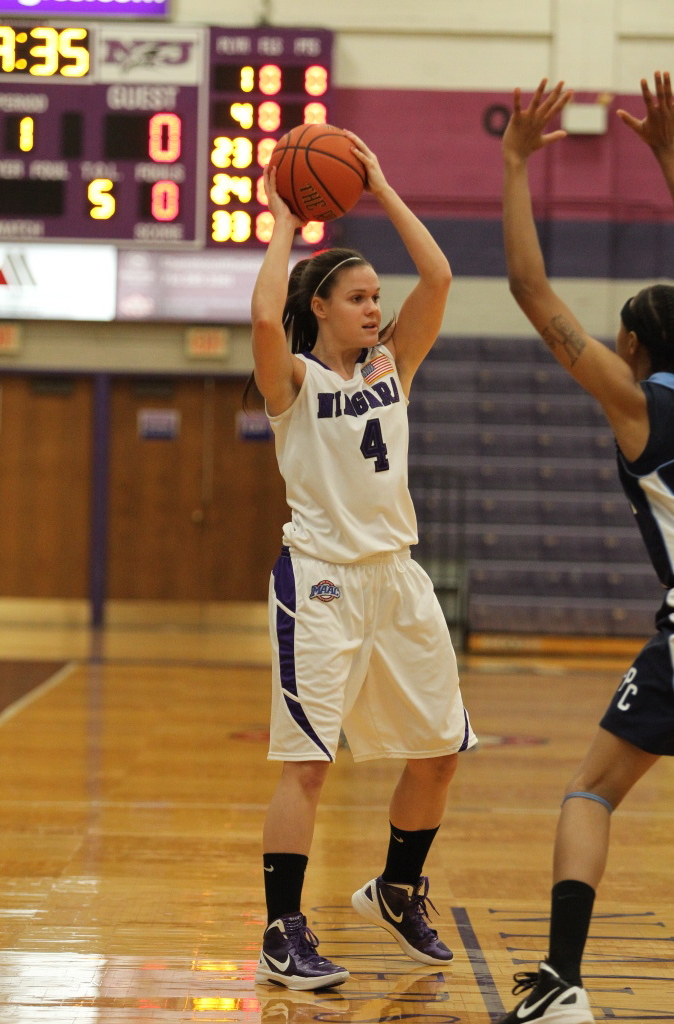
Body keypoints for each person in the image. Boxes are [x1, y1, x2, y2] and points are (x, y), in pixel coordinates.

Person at [250, 130, 476, 991]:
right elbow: (265, 317)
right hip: (321, 585)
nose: (374, 308)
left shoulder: (393, 365)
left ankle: (395, 886)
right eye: (356, 298)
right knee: (305, 765)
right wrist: (280, 220)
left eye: (377, 296)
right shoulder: (295, 386)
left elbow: (442, 276)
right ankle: (281, 932)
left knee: (441, 749)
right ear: (323, 309)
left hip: (399, 579)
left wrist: (379, 184)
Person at [496, 71, 674, 1023]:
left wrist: (517, 162)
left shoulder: (643, 409)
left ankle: (563, 983)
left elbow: (527, 288)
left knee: (590, 793)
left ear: (636, 347)